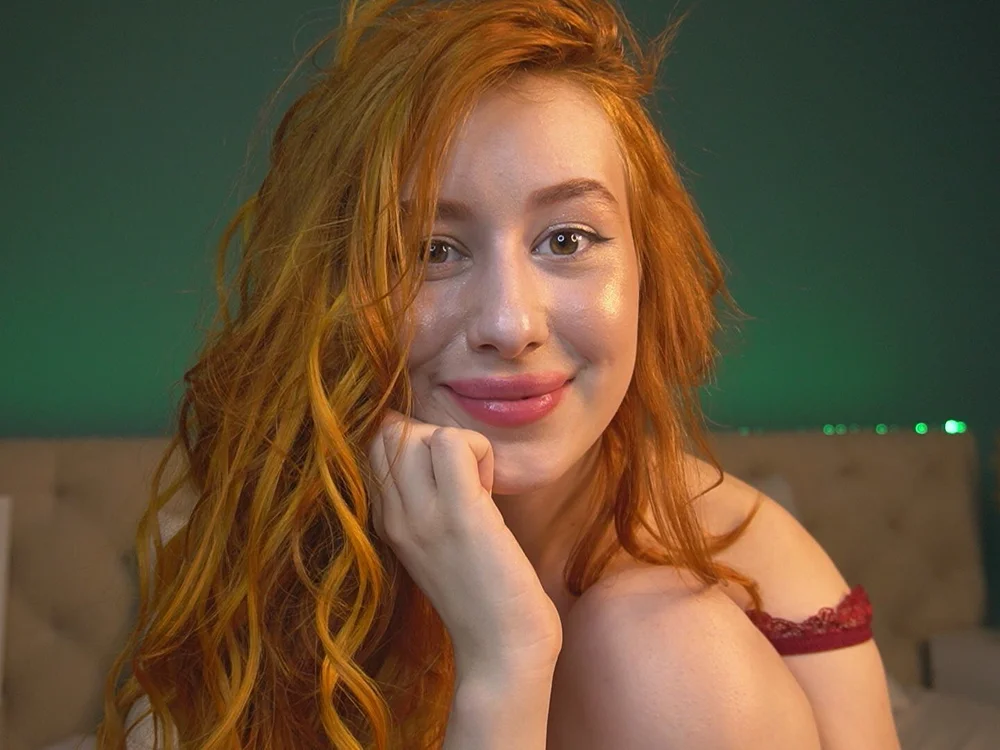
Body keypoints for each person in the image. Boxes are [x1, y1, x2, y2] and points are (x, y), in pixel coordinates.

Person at [95, 0, 901, 748]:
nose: (512, 326)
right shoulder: (261, 546)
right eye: (431, 250)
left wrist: (505, 662)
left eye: (567, 240)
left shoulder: (686, 638)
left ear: (645, 266)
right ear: (331, 288)